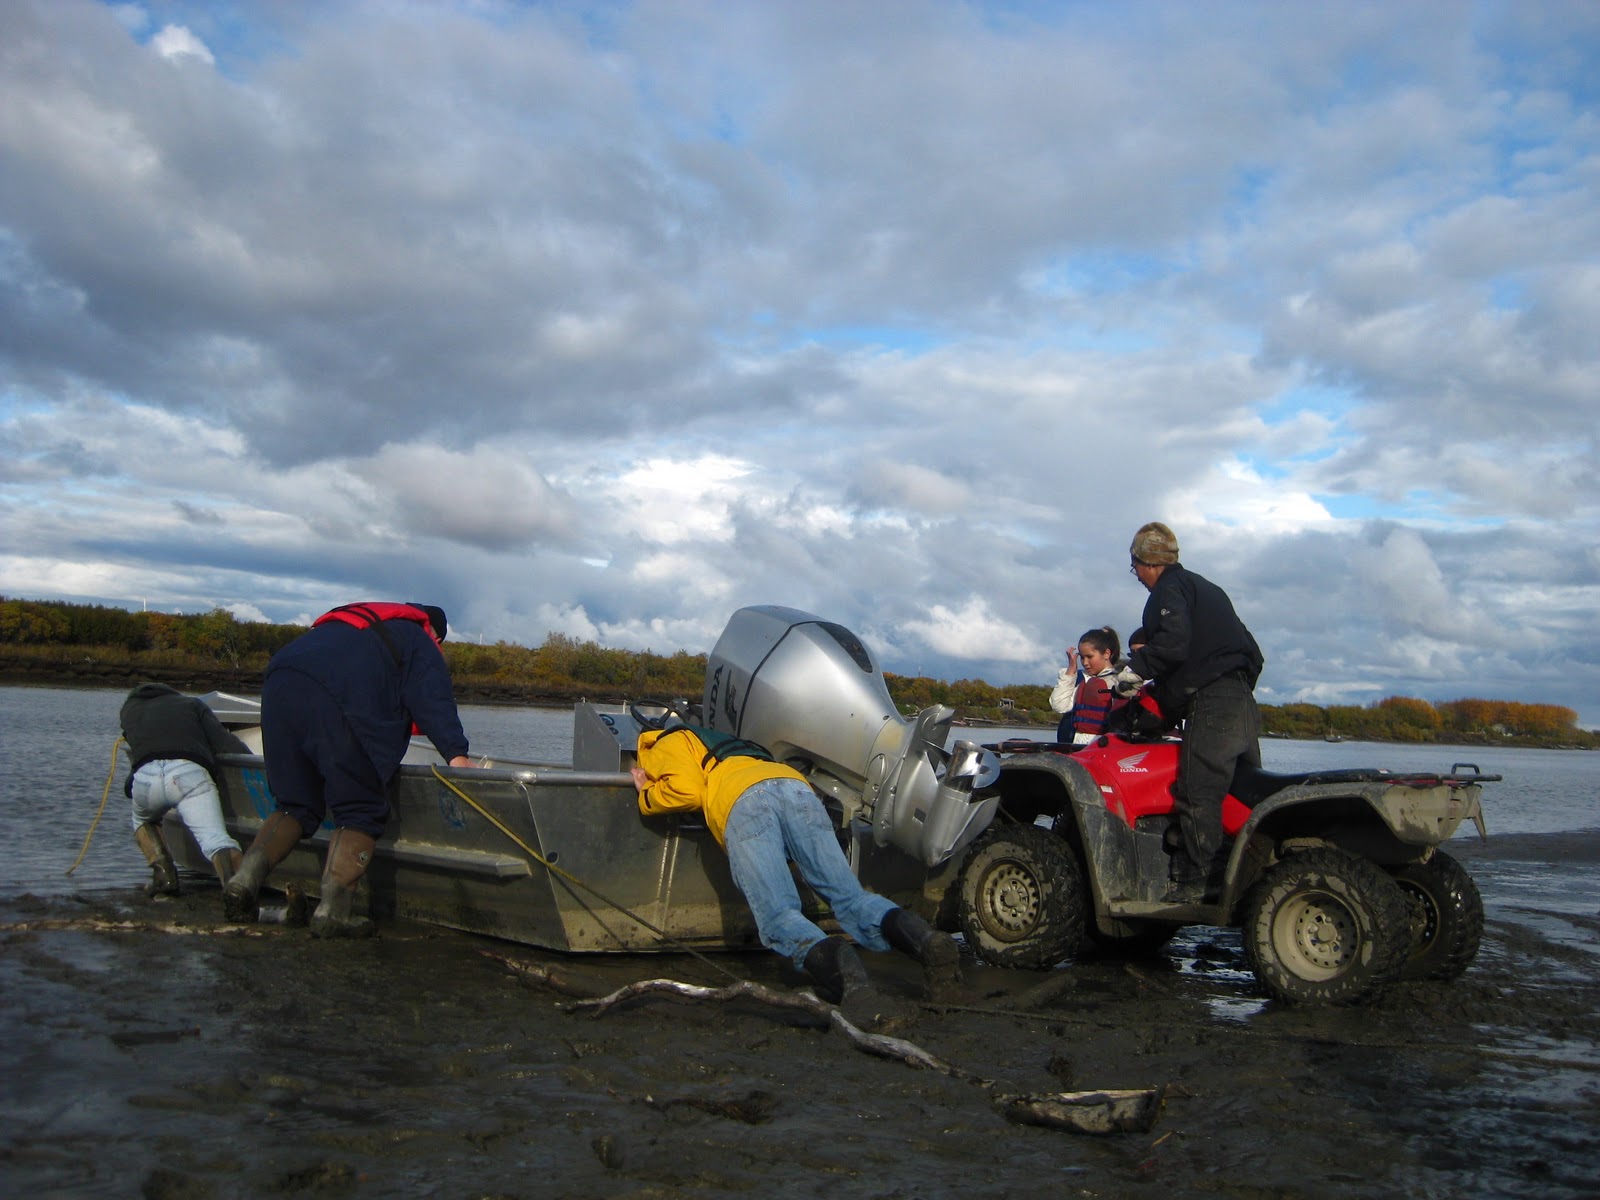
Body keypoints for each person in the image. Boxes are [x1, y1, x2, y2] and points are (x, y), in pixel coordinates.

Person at [630, 721, 961, 1006]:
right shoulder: (728, 742)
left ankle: (854, 988)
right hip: (797, 789)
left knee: (778, 914)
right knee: (851, 897)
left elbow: (685, 791)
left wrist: (646, 792)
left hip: (743, 800)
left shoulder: (663, 741)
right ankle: (927, 942)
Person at [223, 602, 478, 937]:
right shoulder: (417, 637)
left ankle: (243, 883)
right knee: (359, 809)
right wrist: (457, 756)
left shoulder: (356, 627)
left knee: (294, 804)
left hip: (279, 681)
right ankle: (334, 913)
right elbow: (432, 699)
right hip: (336, 693)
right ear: (435, 635)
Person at [1124, 523, 1264, 900]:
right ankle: (1251, 876)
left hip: (1214, 701)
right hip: (1242, 701)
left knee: (1197, 789)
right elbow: (1253, 652)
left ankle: (1198, 881)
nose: (1138, 576)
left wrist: (1134, 671)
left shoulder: (1168, 590)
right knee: (1244, 790)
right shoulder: (1209, 590)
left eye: (1135, 568)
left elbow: (1173, 646)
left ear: (1148, 563)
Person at [119, 683, 251, 898]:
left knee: (142, 820)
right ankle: (236, 893)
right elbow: (225, 743)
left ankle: (164, 876)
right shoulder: (191, 704)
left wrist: (130, 786)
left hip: (146, 778)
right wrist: (250, 760)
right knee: (215, 840)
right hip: (188, 774)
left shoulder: (129, 710)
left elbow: (141, 751)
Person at [1049, 626, 1122, 744]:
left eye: (1089, 657)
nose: (1085, 662)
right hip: (1077, 745)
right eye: (1082, 657)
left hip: (1103, 745)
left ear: (1106, 654)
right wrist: (1070, 672)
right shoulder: (1082, 680)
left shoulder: (1118, 681)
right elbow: (1059, 706)